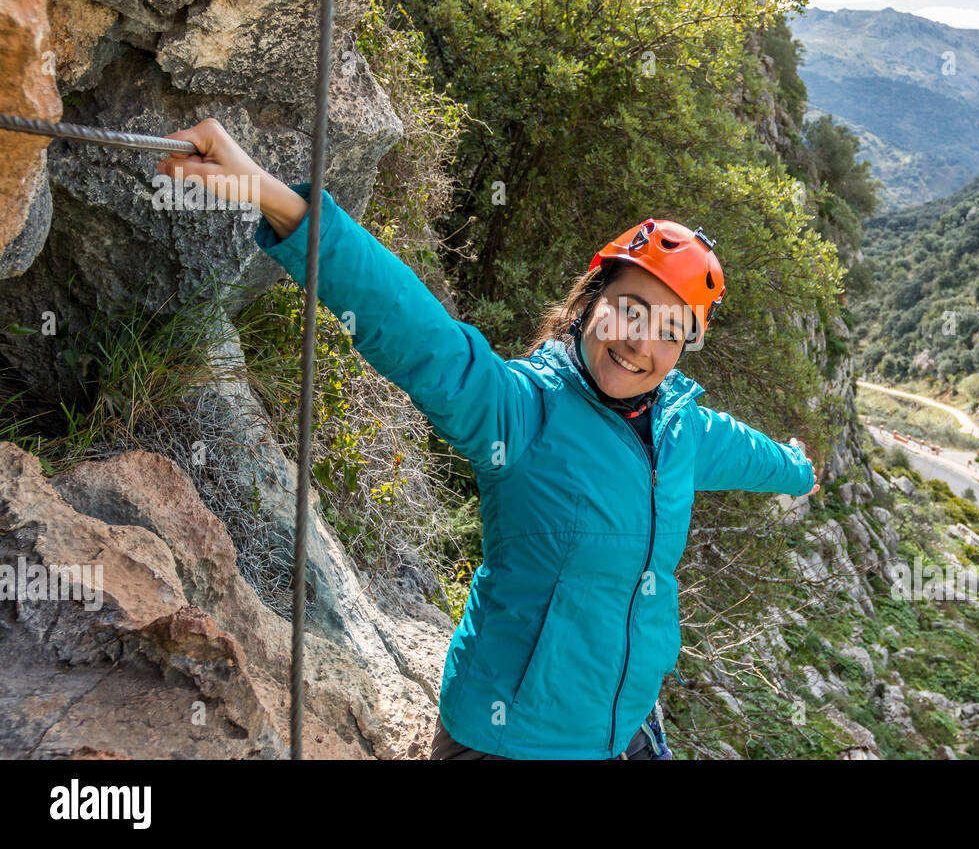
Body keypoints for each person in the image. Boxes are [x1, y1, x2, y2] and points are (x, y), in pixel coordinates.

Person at [157, 118, 823, 760]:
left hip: (622, 723)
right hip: (509, 739)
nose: (639, 342)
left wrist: (798, 467)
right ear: (591, 302)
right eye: (628, 310)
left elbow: (753, 454)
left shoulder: (683, 427)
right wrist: (279, 202)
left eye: (670, 330)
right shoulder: (521, 411)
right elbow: (420, 336)